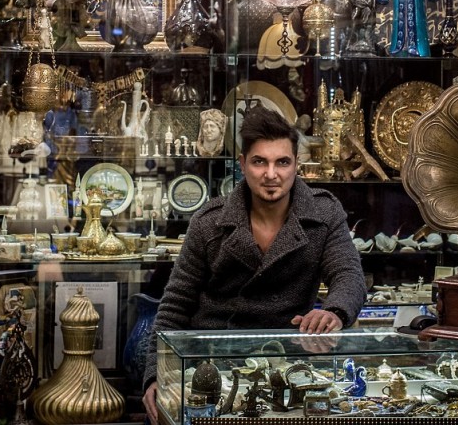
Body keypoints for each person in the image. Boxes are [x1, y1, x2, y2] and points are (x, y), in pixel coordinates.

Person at [141, 105, 367, 423]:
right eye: (260, 161)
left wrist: (334, 312)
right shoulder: (209, 222)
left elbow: (348, 274)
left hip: (287, 368)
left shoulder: (324, 213)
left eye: (282, 162)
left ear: (297, 164)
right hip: (210, 369)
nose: (271, 174)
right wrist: (155, 375)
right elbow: (175, 305)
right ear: (243, 164)